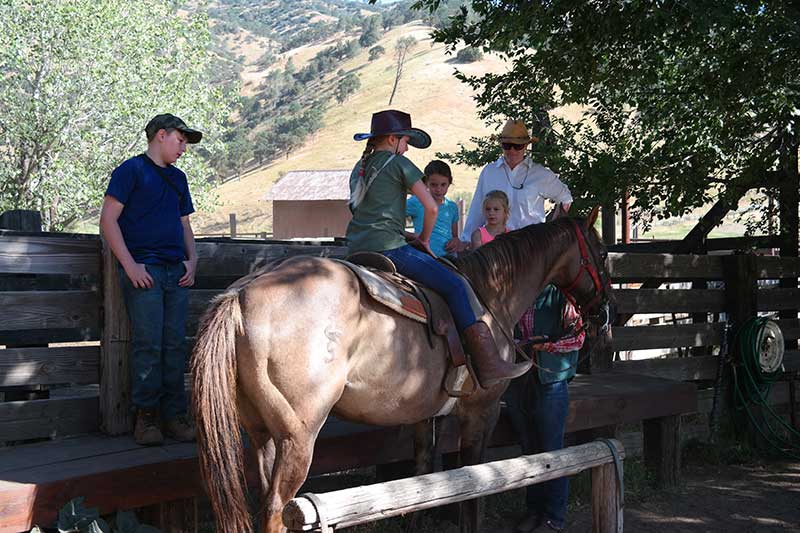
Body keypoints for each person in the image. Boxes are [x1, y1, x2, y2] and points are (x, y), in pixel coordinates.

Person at [348, 109, 531, 388]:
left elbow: (359, 210)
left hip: (356, 249)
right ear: (392, 139)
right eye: (405, 140)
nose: (407, 146)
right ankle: (488, 363)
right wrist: (422, 237)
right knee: (455, 284)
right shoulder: (399, 164)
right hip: (389, 250)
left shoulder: (359, 168)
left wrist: (400, 230)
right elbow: (431, 207)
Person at [99, 113, 201, 446]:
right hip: (145, 272)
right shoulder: (131, 171)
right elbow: (108, 221)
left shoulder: (179, 179)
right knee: (148, 345)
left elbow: (184, 224)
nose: (183, 147)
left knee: (174, 345)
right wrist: (129, 265)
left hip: (176, 272)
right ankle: (146, 419)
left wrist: (193, 260)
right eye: (180, 139)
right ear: (161, 135)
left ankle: (175, 417)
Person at [445, 119, 573, 253]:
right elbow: (478, 208)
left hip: (530, 249)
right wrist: (466, 240)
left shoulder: (541, 175)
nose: (512, 150)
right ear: (501, 145)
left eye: (517, 146)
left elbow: (565, 198)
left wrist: (550, 230)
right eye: (507, 145)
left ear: (525, 146)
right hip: (494, 248)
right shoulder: (489, 172)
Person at [405, 160, 460, 257]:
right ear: (426, 183)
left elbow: (455, 236)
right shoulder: (416, 202)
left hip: (450, 259)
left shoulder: (452, 207)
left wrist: (456, 241)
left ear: (449, 183)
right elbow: (392, 224)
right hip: (425, 257)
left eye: (443, 185)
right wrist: (412, 236)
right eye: (434, 185)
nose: (439, 189)